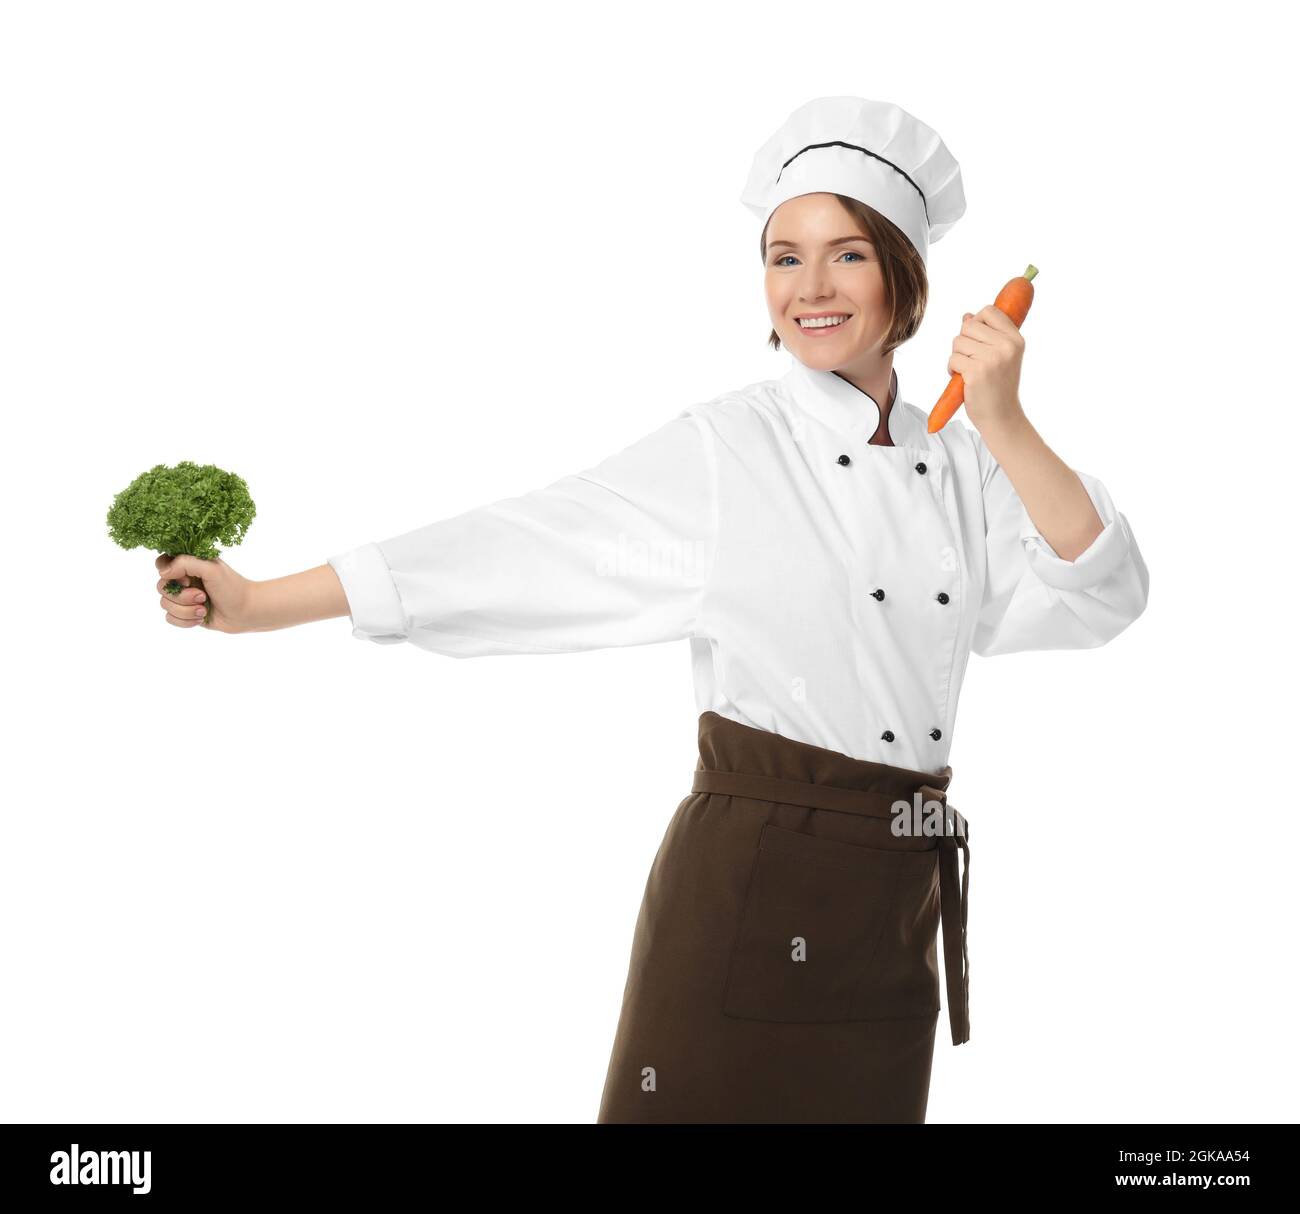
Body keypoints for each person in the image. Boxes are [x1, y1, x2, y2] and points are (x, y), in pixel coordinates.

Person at [154, 96, 1150, 1122]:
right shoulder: (730, 449)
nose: (809, 287)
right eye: (782, 257)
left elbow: (1103, 592)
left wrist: (1005, 418)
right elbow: (526, 543)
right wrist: (266, 601)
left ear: (903, 274)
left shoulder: (959, 458)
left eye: (846, 255)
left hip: (898, 895)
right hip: (754, 873)